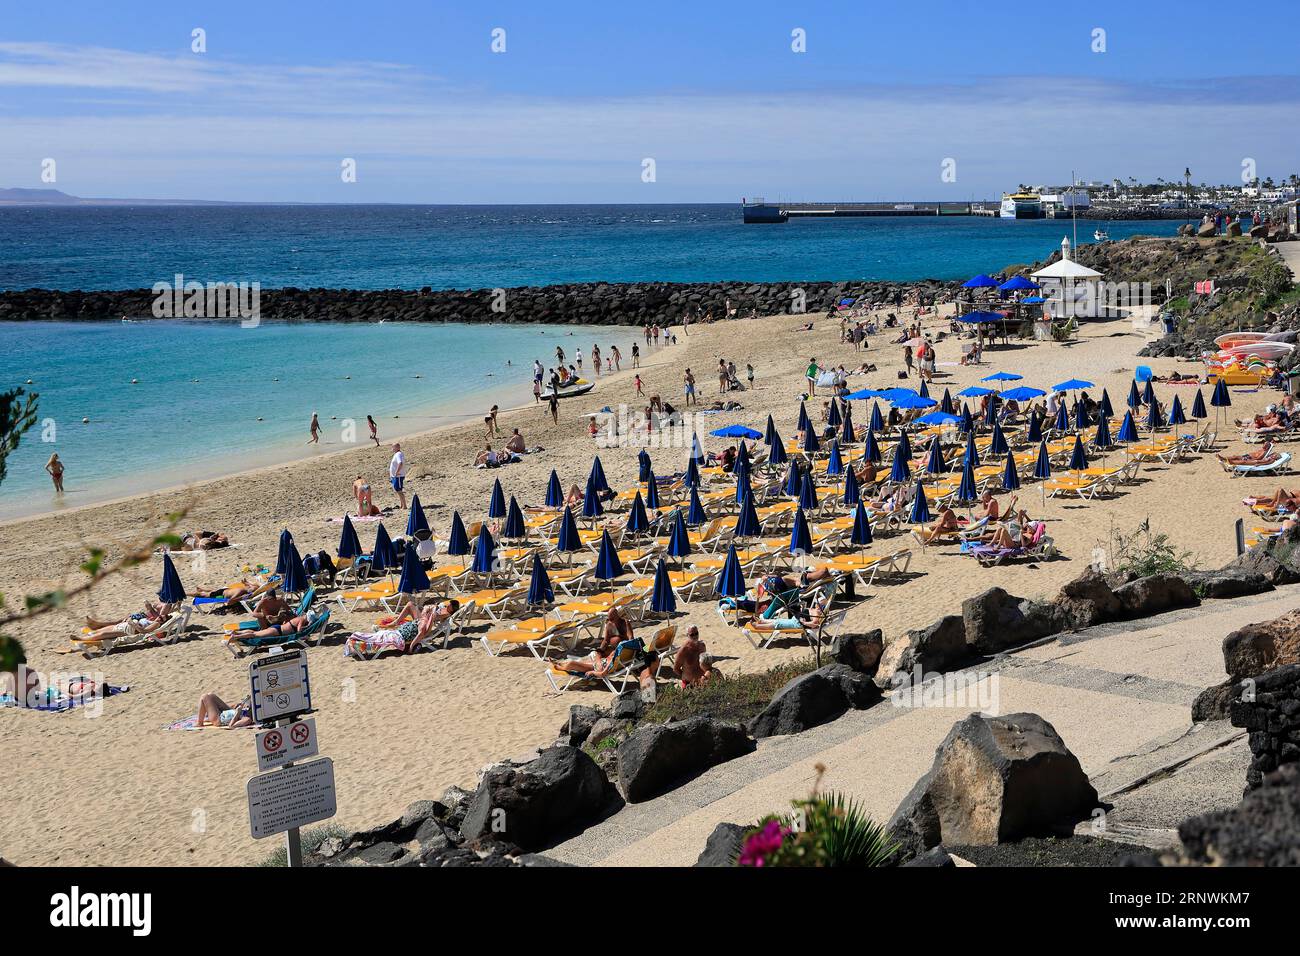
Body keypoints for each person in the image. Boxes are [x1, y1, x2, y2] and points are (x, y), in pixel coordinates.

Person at [389, 443, 408, 510]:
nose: (392, 448)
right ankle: (402, 505)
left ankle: (404, 506)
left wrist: (397, 472)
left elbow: (400, 463)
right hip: (396, 476)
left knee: (399, 490)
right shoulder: (397, 454)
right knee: (397, 490)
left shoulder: (398, 454)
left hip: (398, 476)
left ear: (397, 447)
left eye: (393, 447)